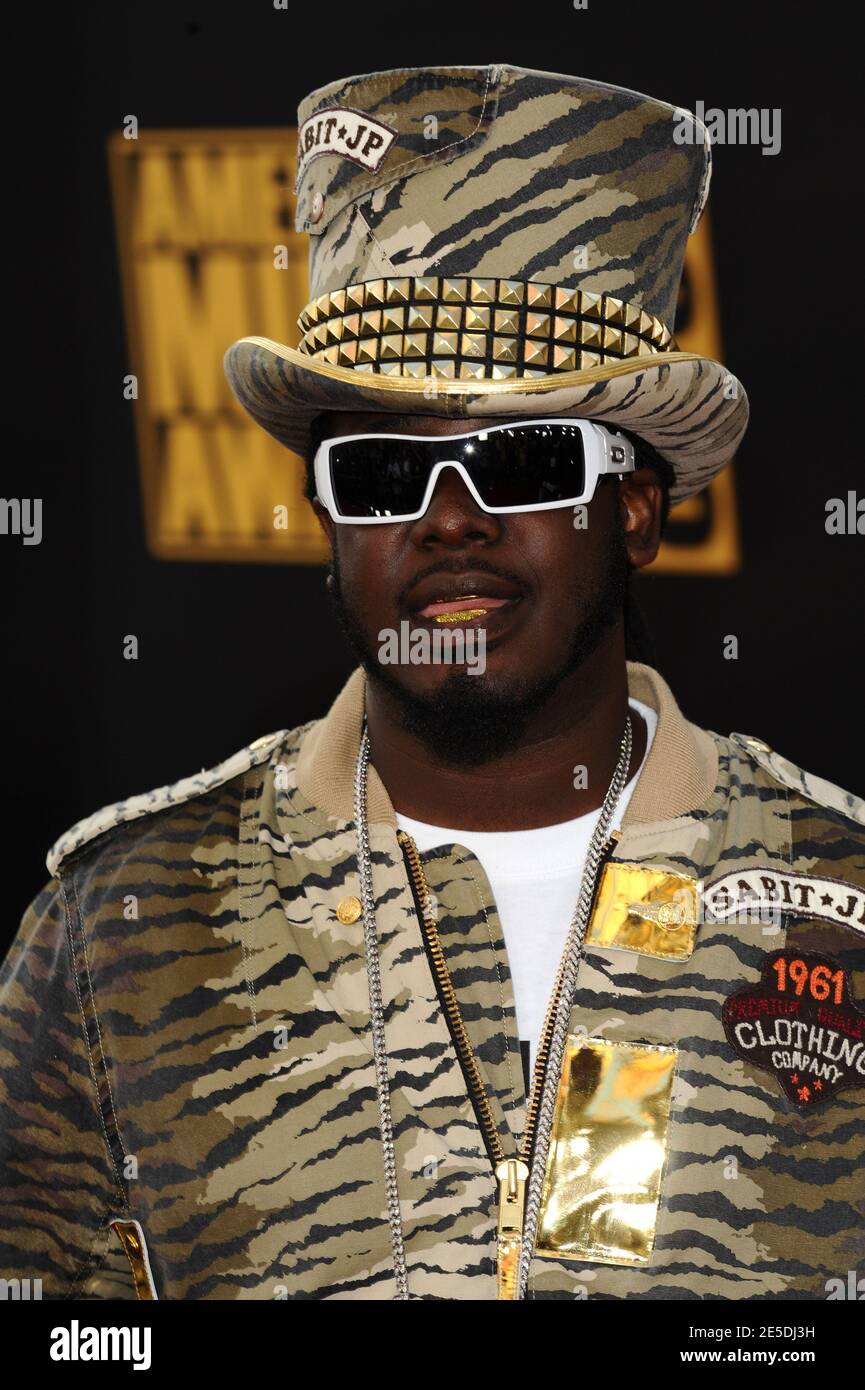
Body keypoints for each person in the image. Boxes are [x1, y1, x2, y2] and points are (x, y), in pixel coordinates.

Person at [1, 63, 862, 1302]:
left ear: (632, 509)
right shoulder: (117, 931)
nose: (449, 521)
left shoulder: (839, 899)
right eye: (384, 475)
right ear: (327, 521)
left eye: (517, 456)